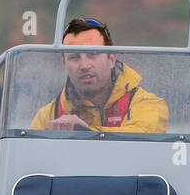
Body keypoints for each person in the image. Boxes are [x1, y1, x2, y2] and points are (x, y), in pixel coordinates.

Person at [30, 17, 168, 133]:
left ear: (112, 59)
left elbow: (142, 137)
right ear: (64, 64)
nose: (84, 65)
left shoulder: (149, 104)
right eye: (74, 57)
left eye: (93, 54)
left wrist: (85, 132)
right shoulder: (46, 116)